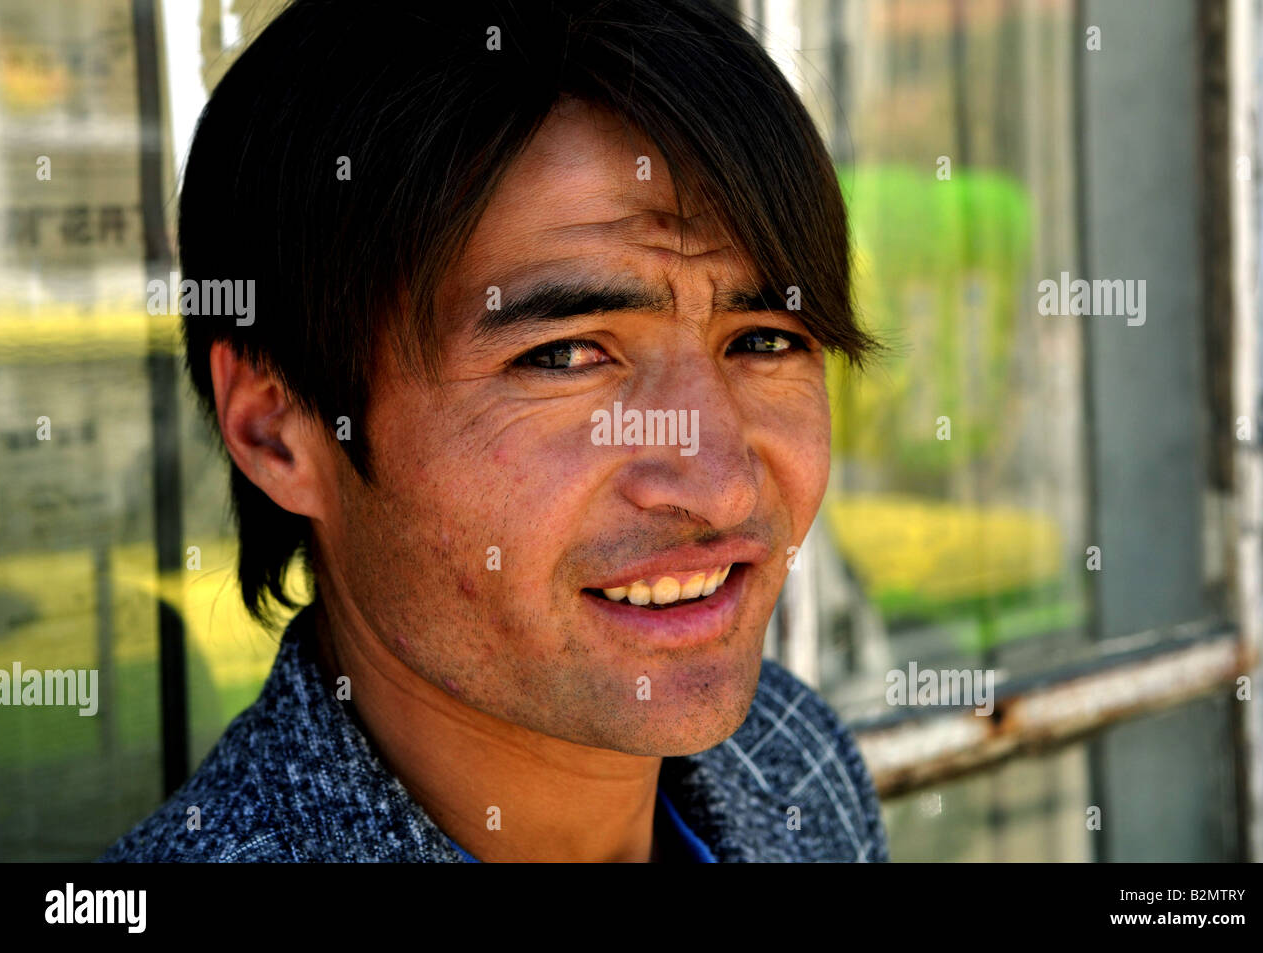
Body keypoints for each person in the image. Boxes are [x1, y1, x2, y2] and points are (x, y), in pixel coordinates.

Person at [101, 0, 887, 862]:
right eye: (566, 357)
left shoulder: (789, 763)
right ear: (277, 429)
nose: (720, 484)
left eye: (764, 341)